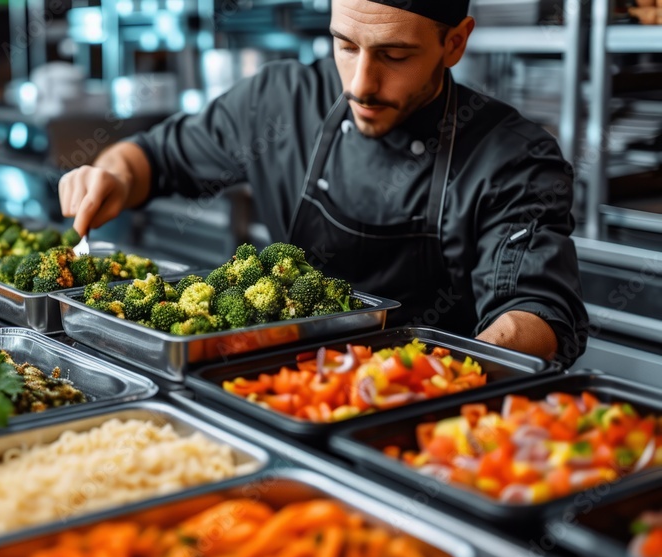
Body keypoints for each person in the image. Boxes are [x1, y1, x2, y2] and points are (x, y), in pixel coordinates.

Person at [57, 0, 589, 365]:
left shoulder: (512, 156)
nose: (361, 83)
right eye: (345, 45)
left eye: (394, 55)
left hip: (428, 414)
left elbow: (537, 314)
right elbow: (153, 157)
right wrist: (110, 176)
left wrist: (422, 376)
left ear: (454, 43)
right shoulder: (279, 101)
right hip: (271, 385)